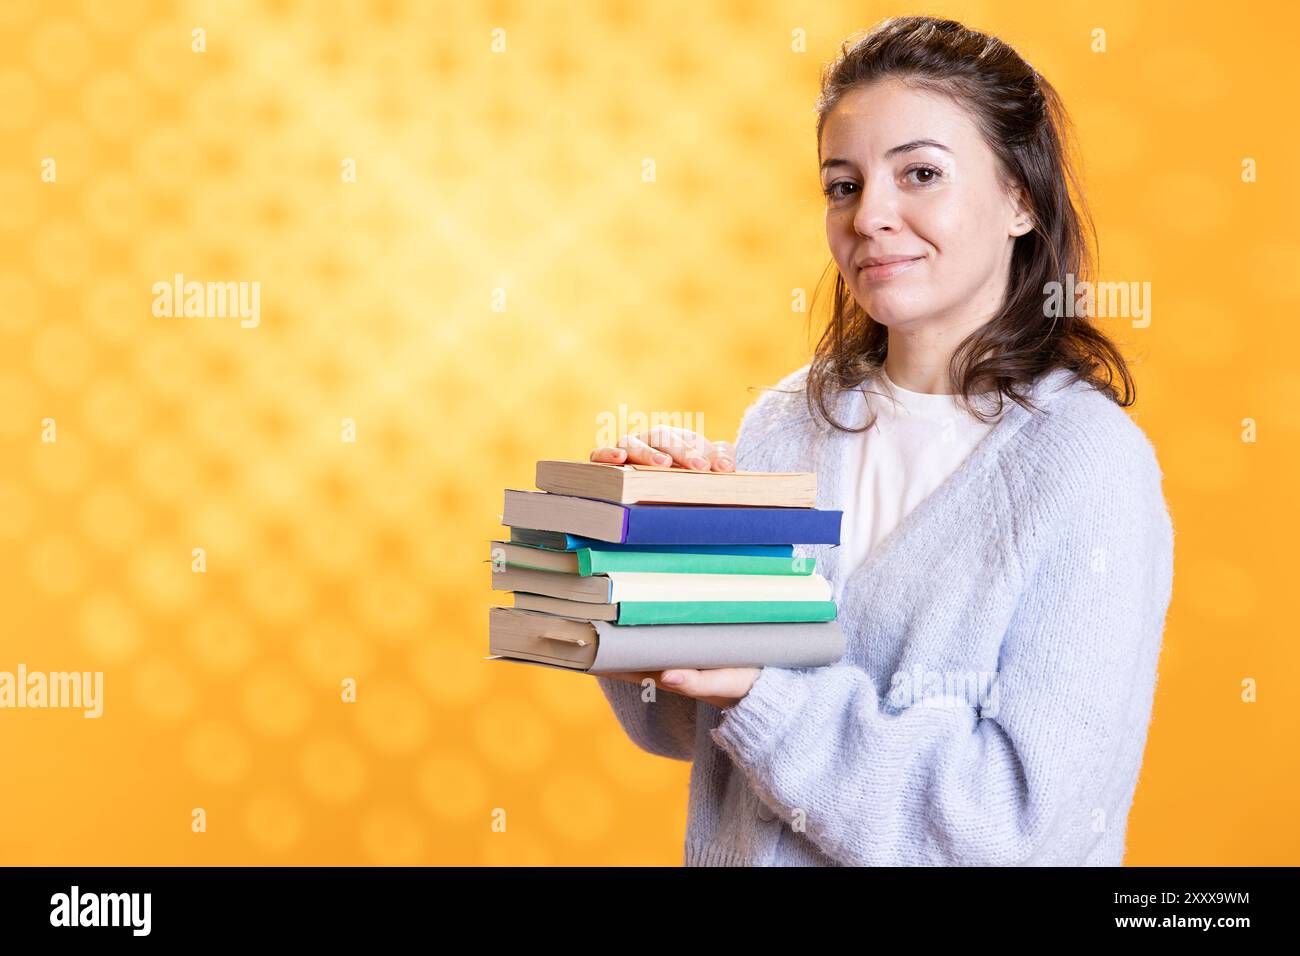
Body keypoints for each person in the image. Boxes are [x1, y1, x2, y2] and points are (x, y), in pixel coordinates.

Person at [588, 15, 1175, 866]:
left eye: (921, 174)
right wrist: (674, 555)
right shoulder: (787, 422)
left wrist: (769, 691)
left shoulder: (1089, 466)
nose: (871, 217)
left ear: (1020, 197)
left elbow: (1014, 822)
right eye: (843, 185)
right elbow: (690, 728)